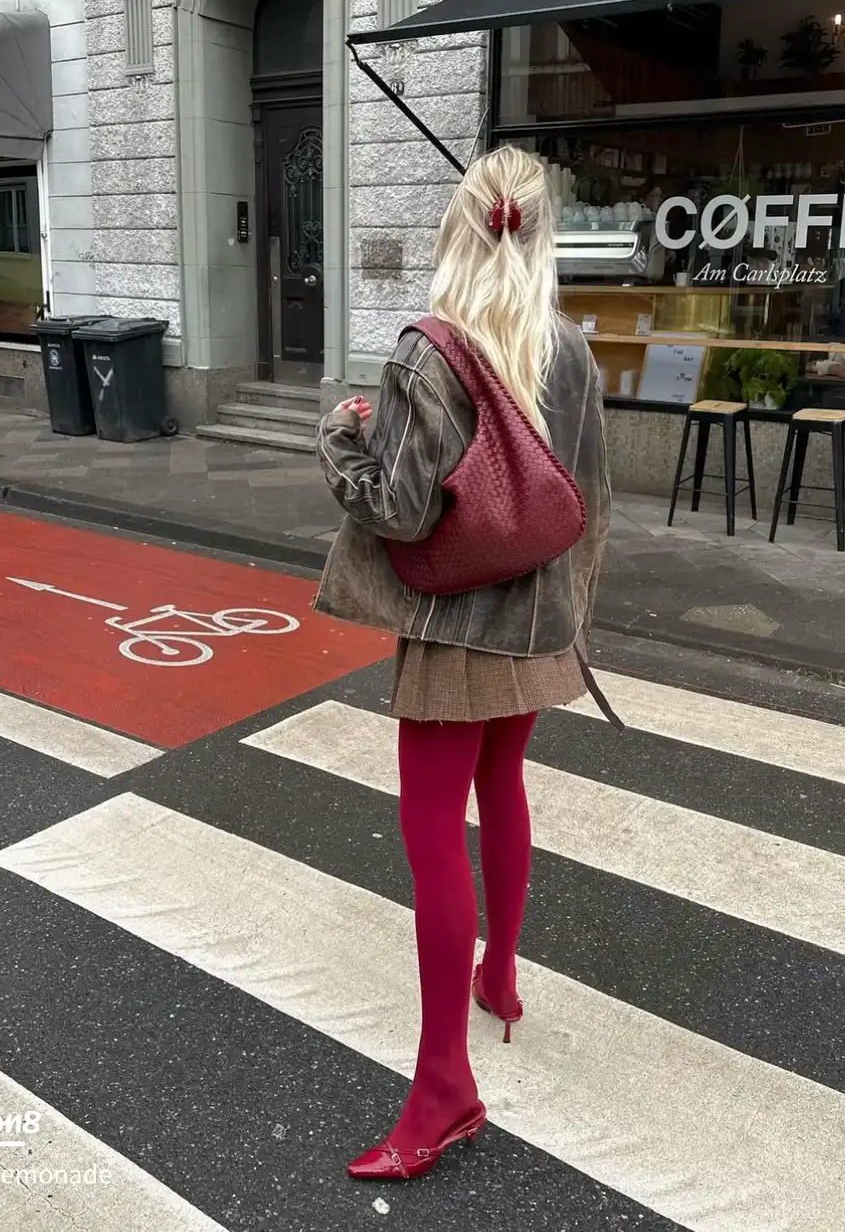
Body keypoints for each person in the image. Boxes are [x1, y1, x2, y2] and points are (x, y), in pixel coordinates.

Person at [313, 143, 610, 1181]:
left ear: (460, 227)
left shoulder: (426, 352)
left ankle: (444, 1088)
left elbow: (399, 507)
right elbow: (589, 502)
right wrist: (575, 618)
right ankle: (503, 974)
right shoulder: (569, 348)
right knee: (505, 785)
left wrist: (342, 440)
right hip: (537, 627)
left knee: (432, 828)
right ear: (539, 236)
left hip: (455, 630)